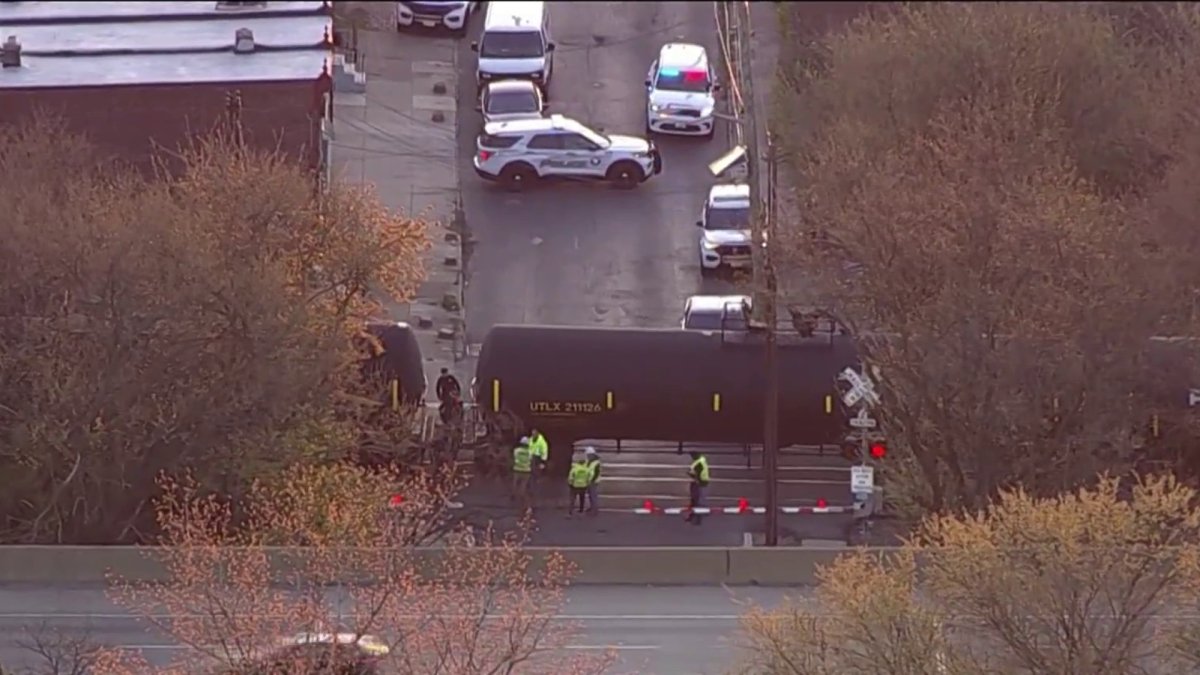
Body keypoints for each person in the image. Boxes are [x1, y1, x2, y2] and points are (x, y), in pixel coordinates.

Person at [685, 450, 710, 525]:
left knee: (697, 499)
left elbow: (697, 474)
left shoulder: (698, 463)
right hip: (703, 481)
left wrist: (691, 474)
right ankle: (696, 515)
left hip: (699, 482)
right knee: (698, 499)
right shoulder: (701, 460)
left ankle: (697, 516)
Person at [511, 436, 533, 512]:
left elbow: (514, 459)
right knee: (523, 489)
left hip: (517, 470)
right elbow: (531, 460)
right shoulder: (530, 452)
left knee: (515, 485)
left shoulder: (516, 450)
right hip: (526, 471)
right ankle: (526, 505)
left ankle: (516, 499)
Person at [567, 452, 592, 517]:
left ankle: (570, 511)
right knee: (582, 498)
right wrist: (587, 483)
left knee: (572, 499)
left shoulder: (575, 469)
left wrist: (570, 483)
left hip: (575, 485)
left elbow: (571, 477)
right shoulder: (587, 469)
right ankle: (581, 510)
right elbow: (589, 477)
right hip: (583, 485)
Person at [584, 447, 601, 515]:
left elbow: (596, 473)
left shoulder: (596, 463)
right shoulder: (588, 461)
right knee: (590, 495)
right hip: (588, 480)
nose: (587, 456)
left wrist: (592, 480)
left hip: (593, 481)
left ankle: (594, 509)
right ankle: (592, 507)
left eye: (588, 455)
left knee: (593, 496)